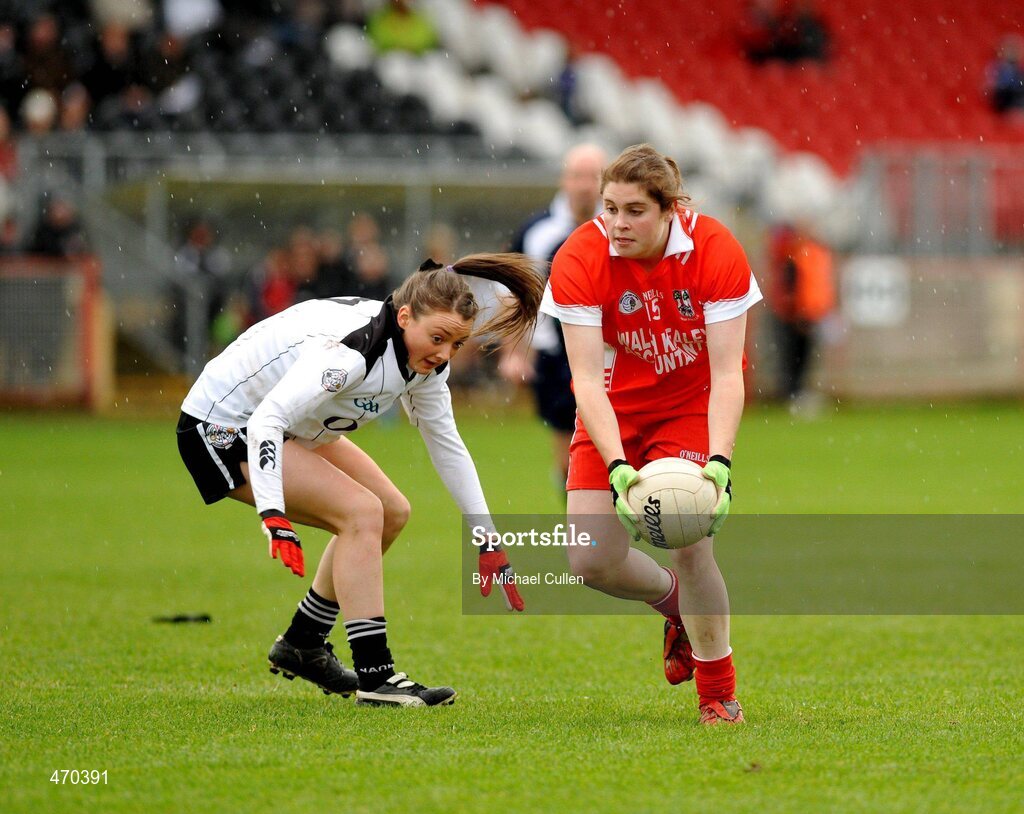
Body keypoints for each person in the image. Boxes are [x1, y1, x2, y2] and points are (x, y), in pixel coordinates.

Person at [176, 253, 543, 707]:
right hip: (223, 428)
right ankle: (376, 676)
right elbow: (267, 419)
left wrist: (487, 539)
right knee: (361, 513)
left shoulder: (421, 360)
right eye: (439, 338)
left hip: (293, 422)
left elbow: (449, 447)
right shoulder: (352, 351)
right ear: (404, 316)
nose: (445, 354)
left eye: (456, 344)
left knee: (391, 511)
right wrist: (272, 513)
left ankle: (303, 643)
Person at [540, 144, 763, 725]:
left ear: (671, 210)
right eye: (609, 207)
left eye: (634, 210)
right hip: (613, 411)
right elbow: (585, 380)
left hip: (691, 407)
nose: (616, 224)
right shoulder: (580, 257)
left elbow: (726, 374)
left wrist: (719, 463)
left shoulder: (715, 250)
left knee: (691, 545)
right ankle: (674, 609)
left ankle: (718, 694)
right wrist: (617, 468)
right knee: (591, 562)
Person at [499, 143, 606, 491]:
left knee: (615, 451)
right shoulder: (536, 232)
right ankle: (584, 534)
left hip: (613, 355)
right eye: (578, 176)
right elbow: (514, 296)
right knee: (571, 458)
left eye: (594, 177)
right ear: (564, 179)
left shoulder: (621, 228)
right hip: (556, 357)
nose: (586, 185)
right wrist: (514, 352)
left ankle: (611, 531)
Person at [767, 221, 834, 409]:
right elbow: (793, 285)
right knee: (795, 354)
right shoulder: (799, 254)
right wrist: (796, 311)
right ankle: (793, 393)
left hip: (811, 313)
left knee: (803, 355)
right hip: (800, 315)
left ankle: (797, 392)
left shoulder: (812, 253)